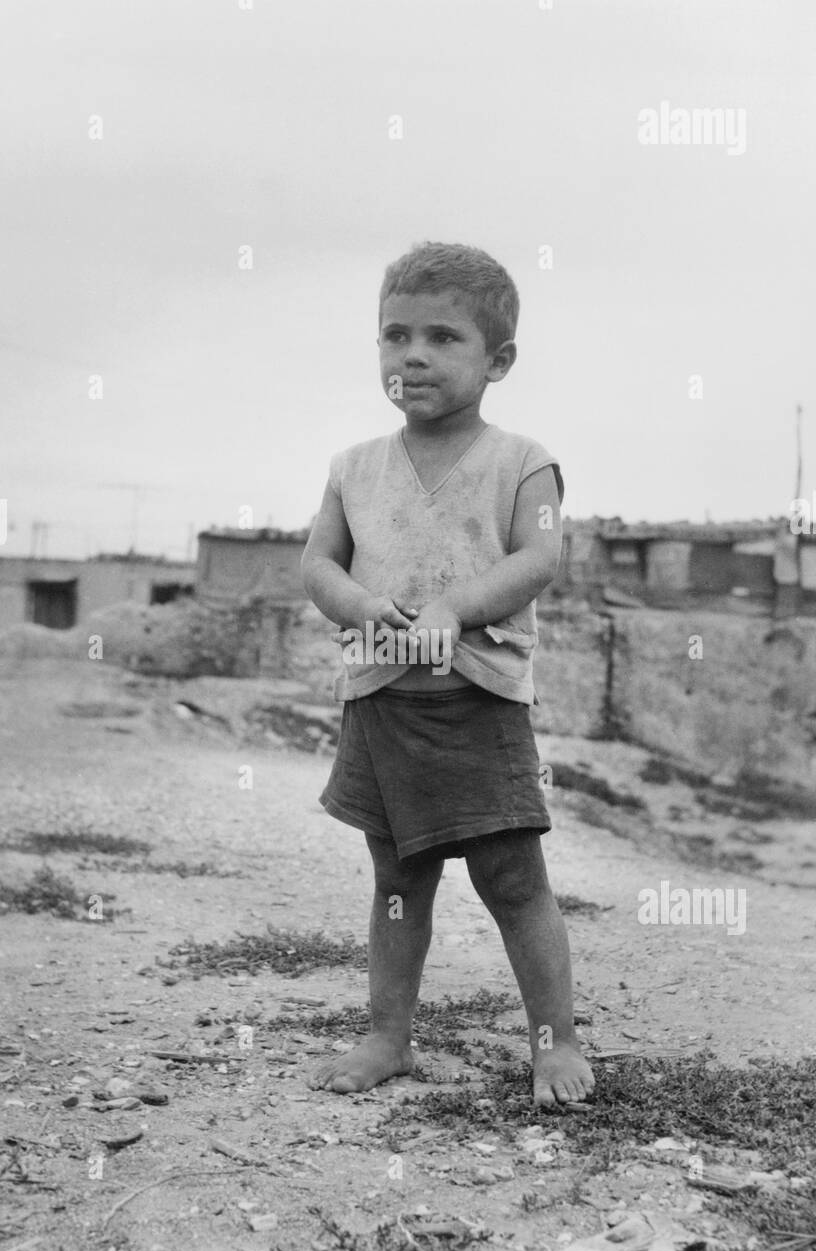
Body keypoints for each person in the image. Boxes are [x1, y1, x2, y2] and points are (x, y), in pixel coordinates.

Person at [301, 242, 594, 1106]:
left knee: (510, 879)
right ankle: (387, 1036)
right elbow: (318, 565)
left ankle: (554, 1042)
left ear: (496, 359)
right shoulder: (352, 467)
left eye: (442, 337)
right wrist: (358, 606)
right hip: (381, 703)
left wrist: (452, 609)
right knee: (397, 880)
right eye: (395, 336)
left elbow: (540, 556)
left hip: (477, 703)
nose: (413, 356)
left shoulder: (522, 461)